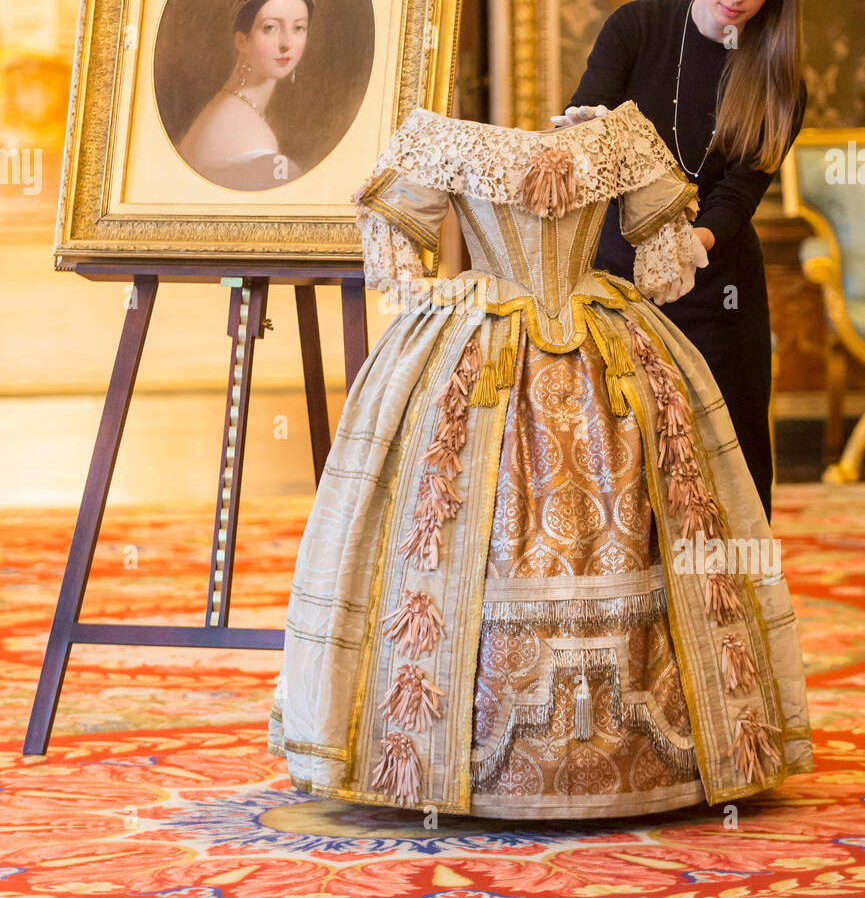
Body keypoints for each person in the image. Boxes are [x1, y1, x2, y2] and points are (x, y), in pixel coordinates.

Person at [267, 99, 813, 819]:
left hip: (492, 334)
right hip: (593, 341)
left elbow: (394, 259)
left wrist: (438, 298)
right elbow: (666, 270)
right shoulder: (611, 139)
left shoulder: (454, 140)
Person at [556, 0, 807, 520]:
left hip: (717, 286)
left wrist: (692, 247)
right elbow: (589, 119)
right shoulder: (636, 27)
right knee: (623, 466)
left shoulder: (779, 78)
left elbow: (738, 194)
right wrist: (584, 129)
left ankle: (728, 612)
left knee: (725, 472)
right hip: (616, 280)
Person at [176, 0, 313, 191]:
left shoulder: (232, 106)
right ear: (243, 41)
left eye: (298, 27)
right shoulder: (246, 133)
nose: (287, 43)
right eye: (270, 27)